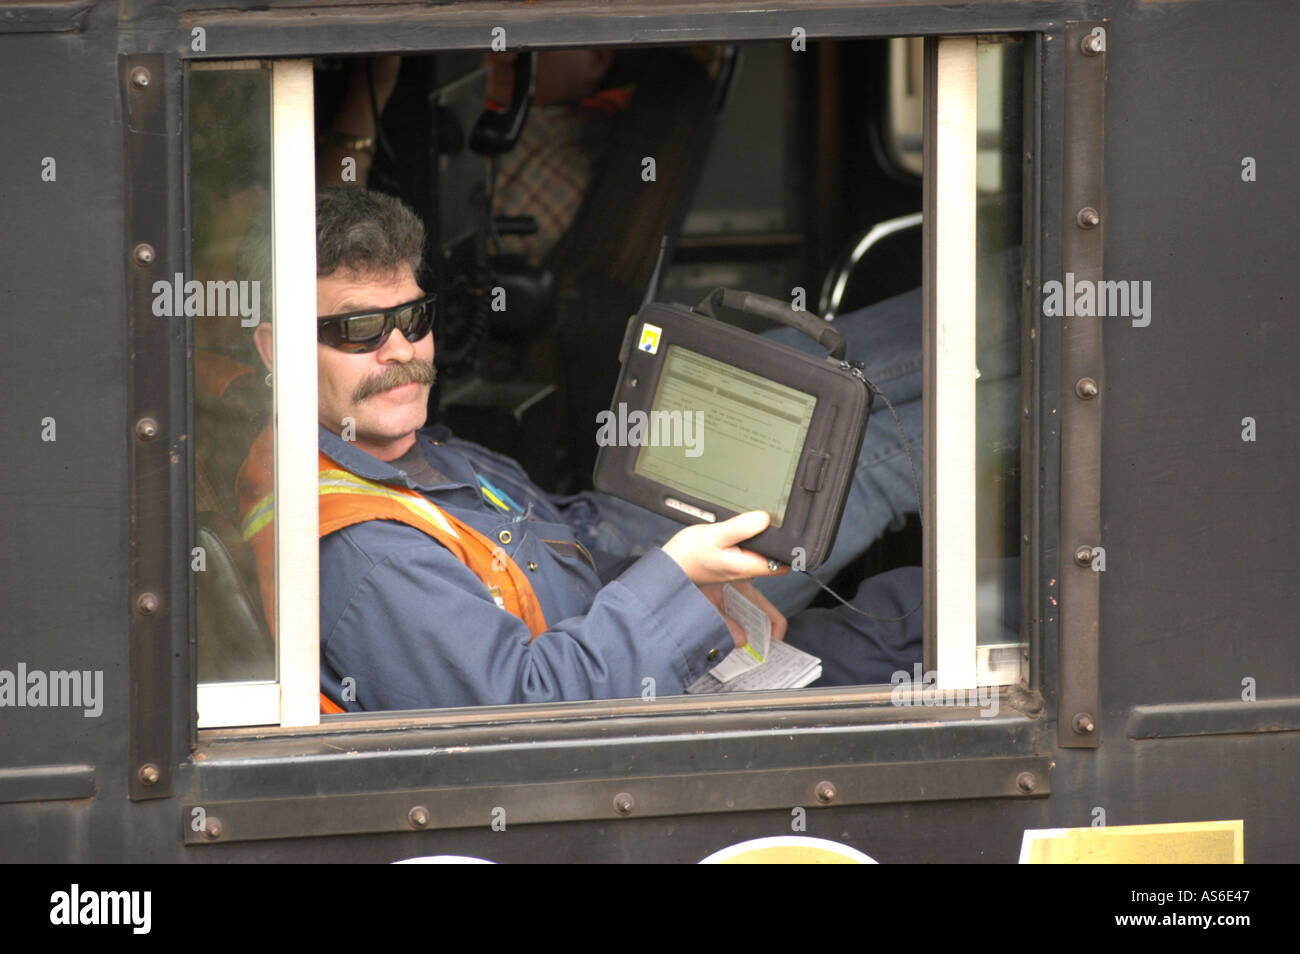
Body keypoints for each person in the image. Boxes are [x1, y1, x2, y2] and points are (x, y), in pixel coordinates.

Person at [237, 188, 925, 711]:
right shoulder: (362, 553)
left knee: (912, 582)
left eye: (413, 318)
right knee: (918, 603)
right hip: (637, 709)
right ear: (278, 349)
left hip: (631, 624)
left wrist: (702, 591)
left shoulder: (388, 451)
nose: (401, 351)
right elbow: (524, 716)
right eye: (360, 329)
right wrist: (675, 583)